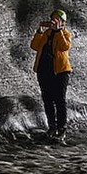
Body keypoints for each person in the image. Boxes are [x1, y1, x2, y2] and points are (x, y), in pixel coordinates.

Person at [30, 9, 73, 141]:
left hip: (60, 71)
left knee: (60, 100)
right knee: (47, 100)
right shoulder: (46, 34)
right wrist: (39, 32)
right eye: (52, 19)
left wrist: (58, 31)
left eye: (57, 19)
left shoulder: (65, 34)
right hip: (44, 71)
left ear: (63, 22)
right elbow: (34, 46)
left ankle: (62, 129)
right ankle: (52, 128)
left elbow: (65, 46)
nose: (53, 21)